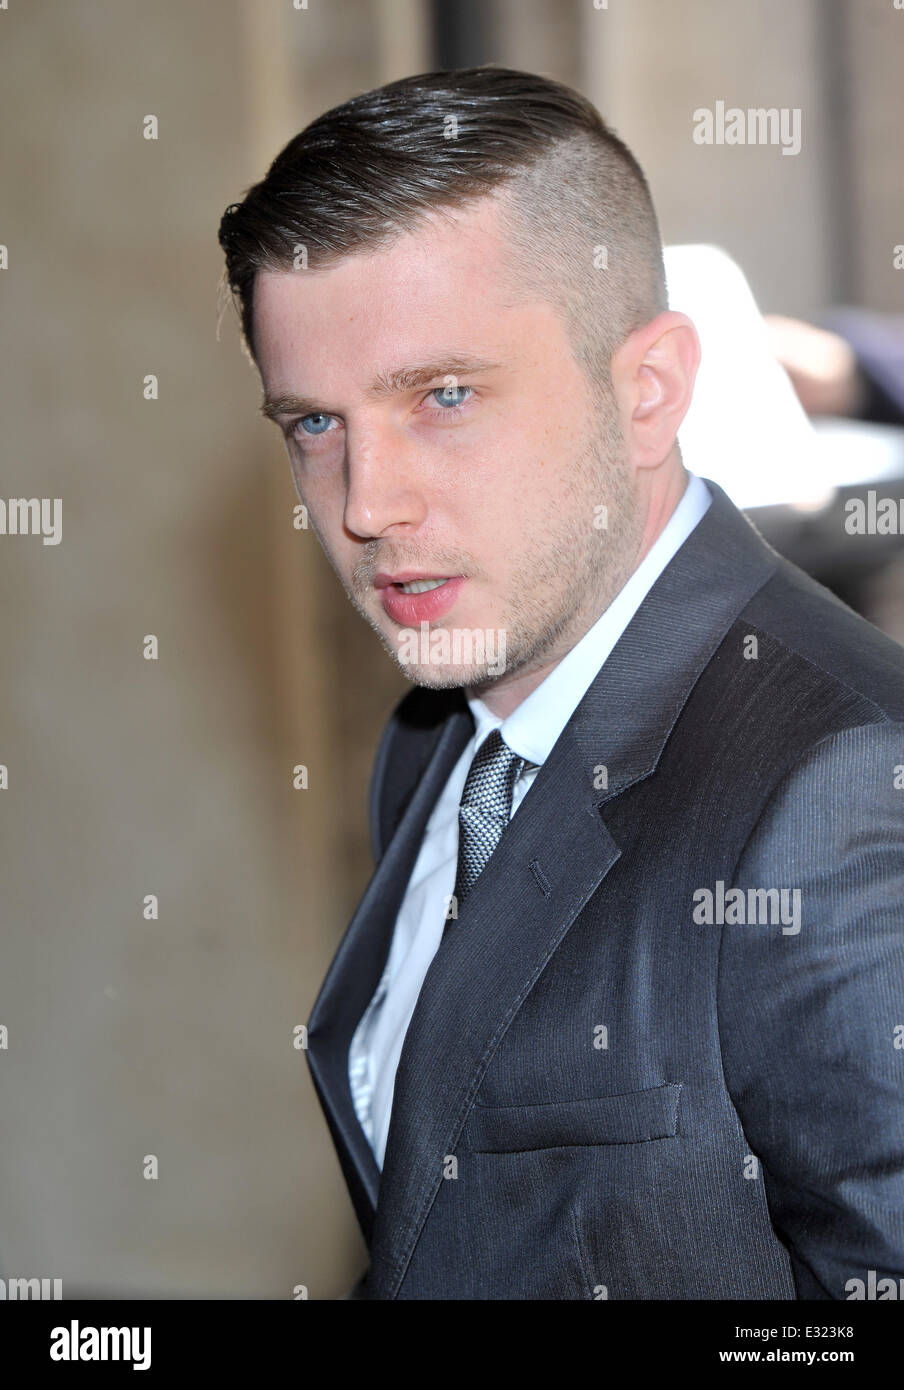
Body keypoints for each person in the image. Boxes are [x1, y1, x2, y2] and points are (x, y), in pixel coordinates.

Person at [218, 66, 904, 1301]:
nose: (366, 506)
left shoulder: (847, 784)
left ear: (647, 391)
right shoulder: (445, 730)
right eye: (313, 424)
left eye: (444, 396)